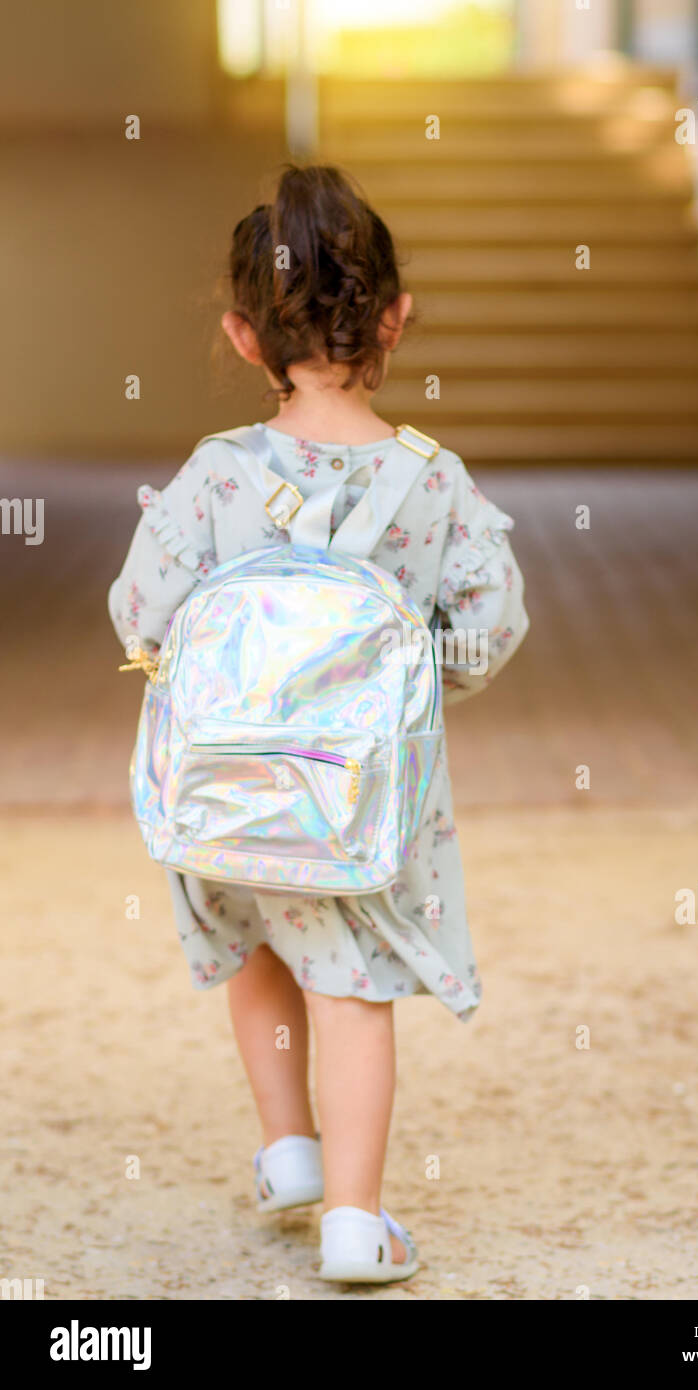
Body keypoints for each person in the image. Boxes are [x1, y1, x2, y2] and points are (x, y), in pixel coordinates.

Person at [108, 163, 529, 1284]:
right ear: (394, 318)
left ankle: (289, 1148)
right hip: (358, 806)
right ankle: (356, 1219)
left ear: (245, 337)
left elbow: (138, 612)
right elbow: (490, 624)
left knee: (253, 929)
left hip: (229, 798)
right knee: (349, 984)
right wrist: (411, 681)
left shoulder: (212, 476)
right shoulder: (431, 484)